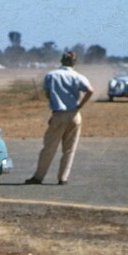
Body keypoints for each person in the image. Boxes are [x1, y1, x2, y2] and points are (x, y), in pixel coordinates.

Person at [25, 51, 93, 185]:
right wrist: (80, 106)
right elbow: (90, 90)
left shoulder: (51, 75)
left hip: (58, 114)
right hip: (74, 114)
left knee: (49, 147)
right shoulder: (78, 76)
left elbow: (48, 94)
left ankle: (38, 177)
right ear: (74, 62)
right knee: (69, 149)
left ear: (61, 60)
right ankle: (63, 178)